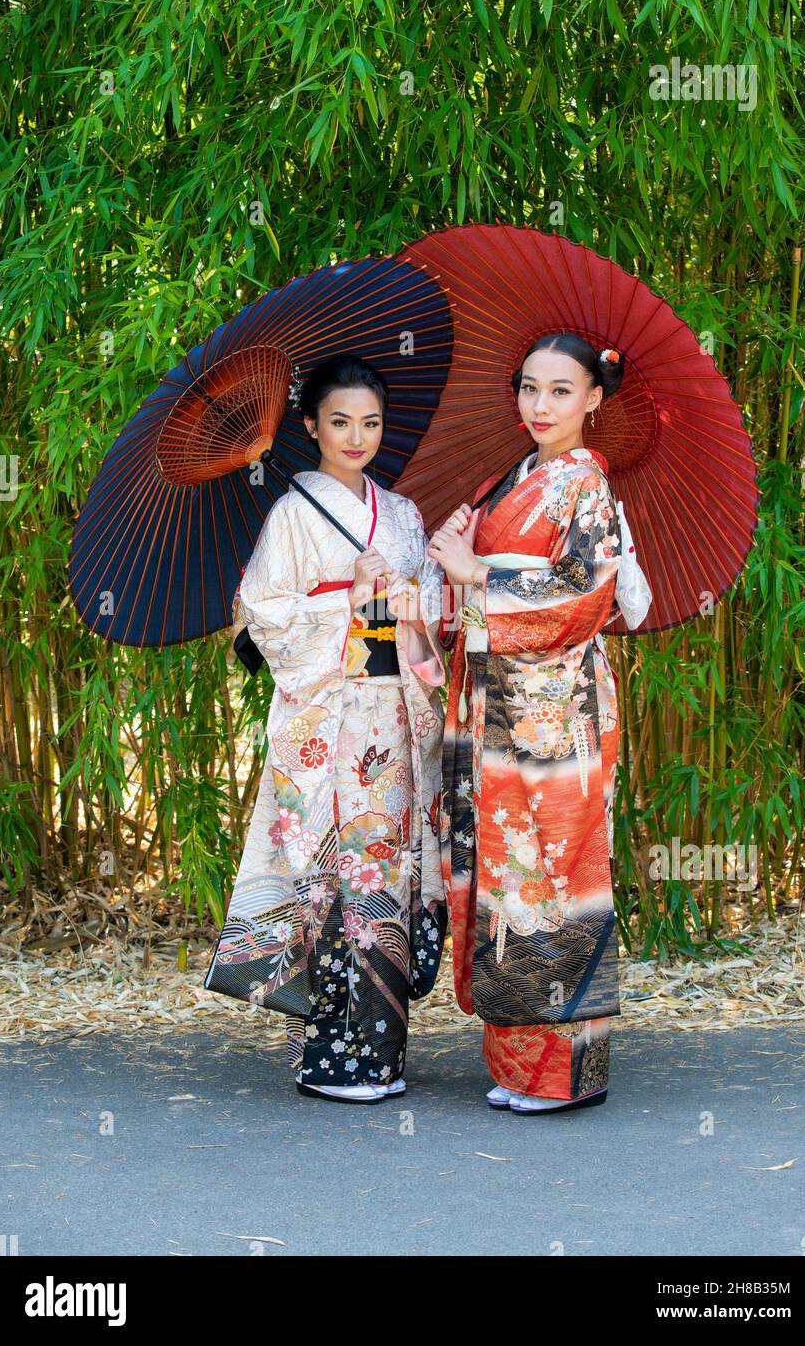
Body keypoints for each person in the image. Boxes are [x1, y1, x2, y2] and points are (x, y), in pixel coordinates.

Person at [205, 354, 448, 1104]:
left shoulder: (402, 515)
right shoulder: (291, 514)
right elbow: (261, 616)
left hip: (394, 721)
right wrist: (350, 604)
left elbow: (438, 609)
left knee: (389, 870)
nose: (356, 436)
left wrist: (403, 596)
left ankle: (383, 1053)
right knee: (337, 877)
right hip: (330, 719)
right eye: (339, 422)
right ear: (309, 426)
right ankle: (336, 1055)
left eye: (370, 423)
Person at [428, 333, 635, 1114]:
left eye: (560, 391)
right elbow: (474, 591)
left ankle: (567, 1073)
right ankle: (521, 1063)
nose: (540, 406)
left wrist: (474, 569)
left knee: (554, 876)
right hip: (497, 701)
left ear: (593, 399)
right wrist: (456, 557)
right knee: (503, 877)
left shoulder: (585, 488)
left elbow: (584, 593)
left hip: (559, 714)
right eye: (529, 389)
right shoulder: (517, 477)